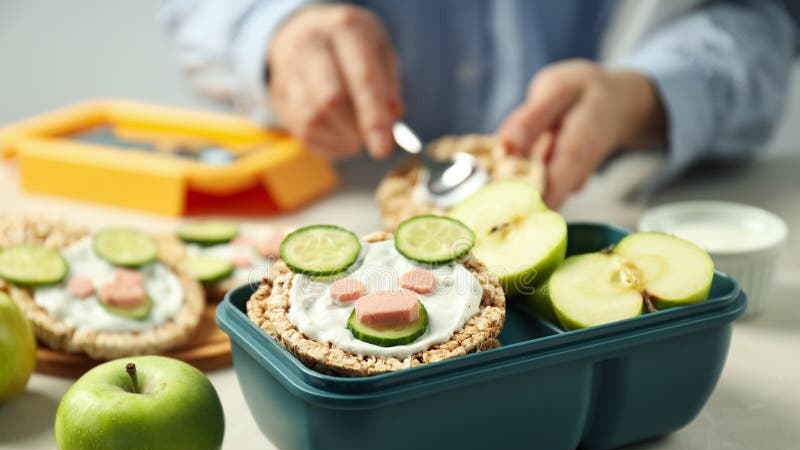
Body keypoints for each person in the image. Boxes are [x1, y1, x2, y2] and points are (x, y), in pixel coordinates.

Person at [160, 0, 799, 208]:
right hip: (330, 192)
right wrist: (277, 28)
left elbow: (760, 17)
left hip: (616, 195)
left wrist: (641, 98)